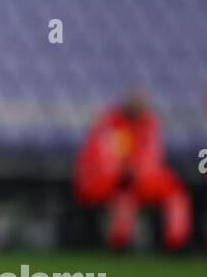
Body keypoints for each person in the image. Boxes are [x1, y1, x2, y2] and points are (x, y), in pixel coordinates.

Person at [73, 88, 190, 251]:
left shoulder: (148, 123)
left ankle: (175, 242)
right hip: (108, 179)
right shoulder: (112, 122)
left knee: (175, 195)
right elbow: (107, 156)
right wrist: (127, 170)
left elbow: (152, 155)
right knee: (125, 195)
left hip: (138, 178)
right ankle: (119, 241)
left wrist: (136, 170)